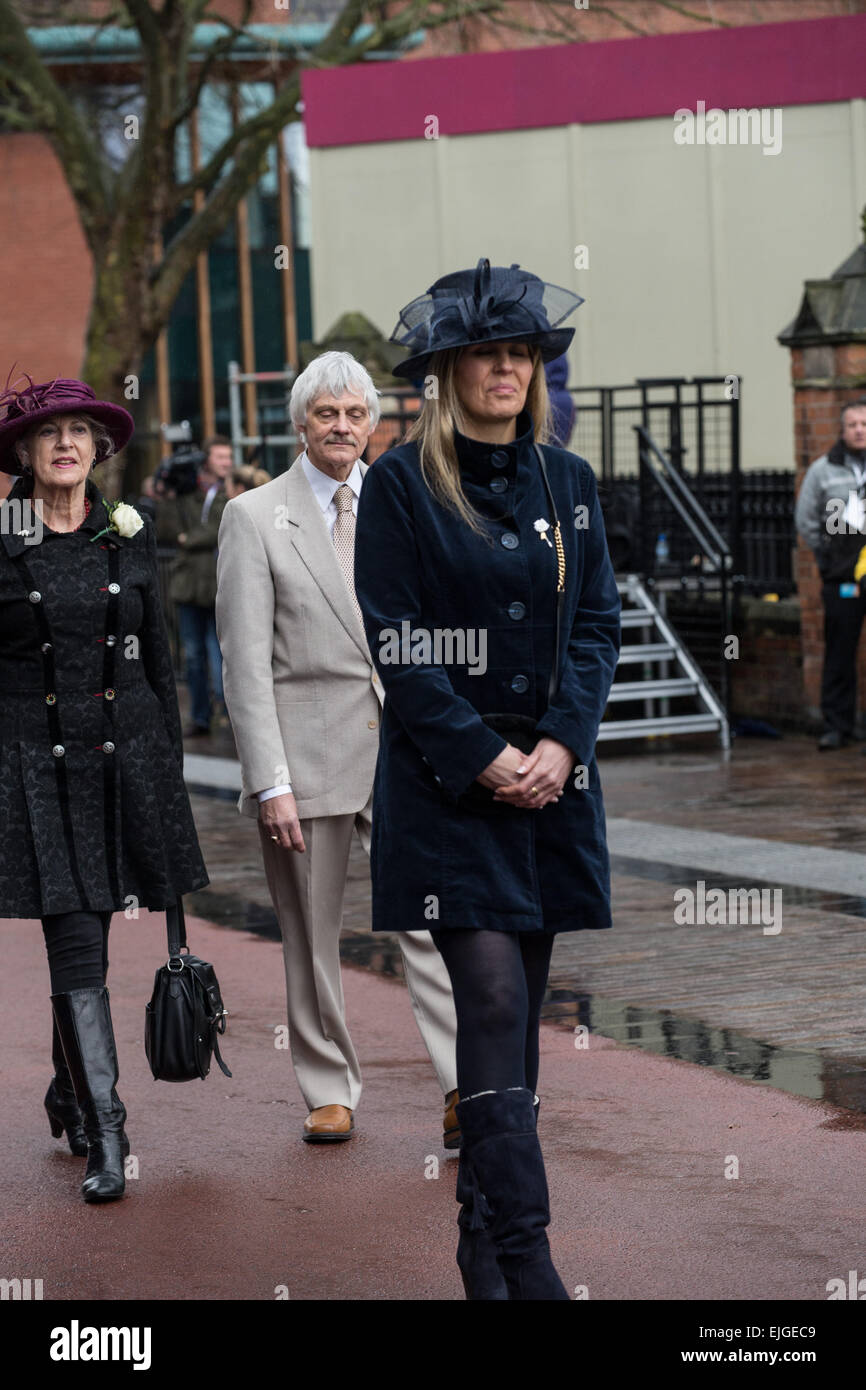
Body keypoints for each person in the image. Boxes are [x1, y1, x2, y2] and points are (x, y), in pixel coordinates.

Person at [354, 260, 621, 1299]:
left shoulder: (572, 483)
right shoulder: (397, 484)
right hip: (445, 786)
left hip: (550, 787)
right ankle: (526, 1251)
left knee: (515, 1016)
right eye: (484, 354)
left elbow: (594, 623)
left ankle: (480, 1241)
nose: (505, 369)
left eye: (520, 353)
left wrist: (561, 742)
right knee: (492, 991)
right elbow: (397, 642)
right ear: (448, 370)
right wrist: (482, 755)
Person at [215, 351, 459, 1146]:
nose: (343, 428)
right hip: (306, 755)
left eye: (357, 414)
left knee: (433, 922)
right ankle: (328, 1089)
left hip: (402, 750)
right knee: (312, 936)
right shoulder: (253, 516)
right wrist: (269, 781)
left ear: (374, 423)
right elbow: (244, 666)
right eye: (328, 414)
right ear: (300, 423)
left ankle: (467, 1086)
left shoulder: (403, 499)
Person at [0, 374, 209, 1203]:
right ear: (23, 451)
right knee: (75, 933)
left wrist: (168, 766)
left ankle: (69, 1092)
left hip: (126, 756)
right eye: (49, 434)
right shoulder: (2, 537)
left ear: (100, 450)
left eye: (81, 432)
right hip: (33, 762)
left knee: (98, 929)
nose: (65, 444)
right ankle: (109, 1131)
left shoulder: (129, 533)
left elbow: (156, 656)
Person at [795, 397, 866, 750]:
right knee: (839, 650)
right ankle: (837, 725)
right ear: (842, 430)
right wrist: (827, 556)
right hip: (842, 576)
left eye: (864, 424)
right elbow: (806, 519)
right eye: (853, 424)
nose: (859, 430)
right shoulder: (824, 470)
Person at [156, 436, 232, 737]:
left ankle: (228, 714)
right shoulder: (188, 495)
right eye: (220, 457)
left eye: (228, 457)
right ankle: (200, 717)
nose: (225, 462)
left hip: (219, 587)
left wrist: (191, 539)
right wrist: (168, 494)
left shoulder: (232, 491)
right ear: (206, 461)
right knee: (193, 656)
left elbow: (221, 529)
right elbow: (169, 530)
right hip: (188, 587)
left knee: (220, 654)